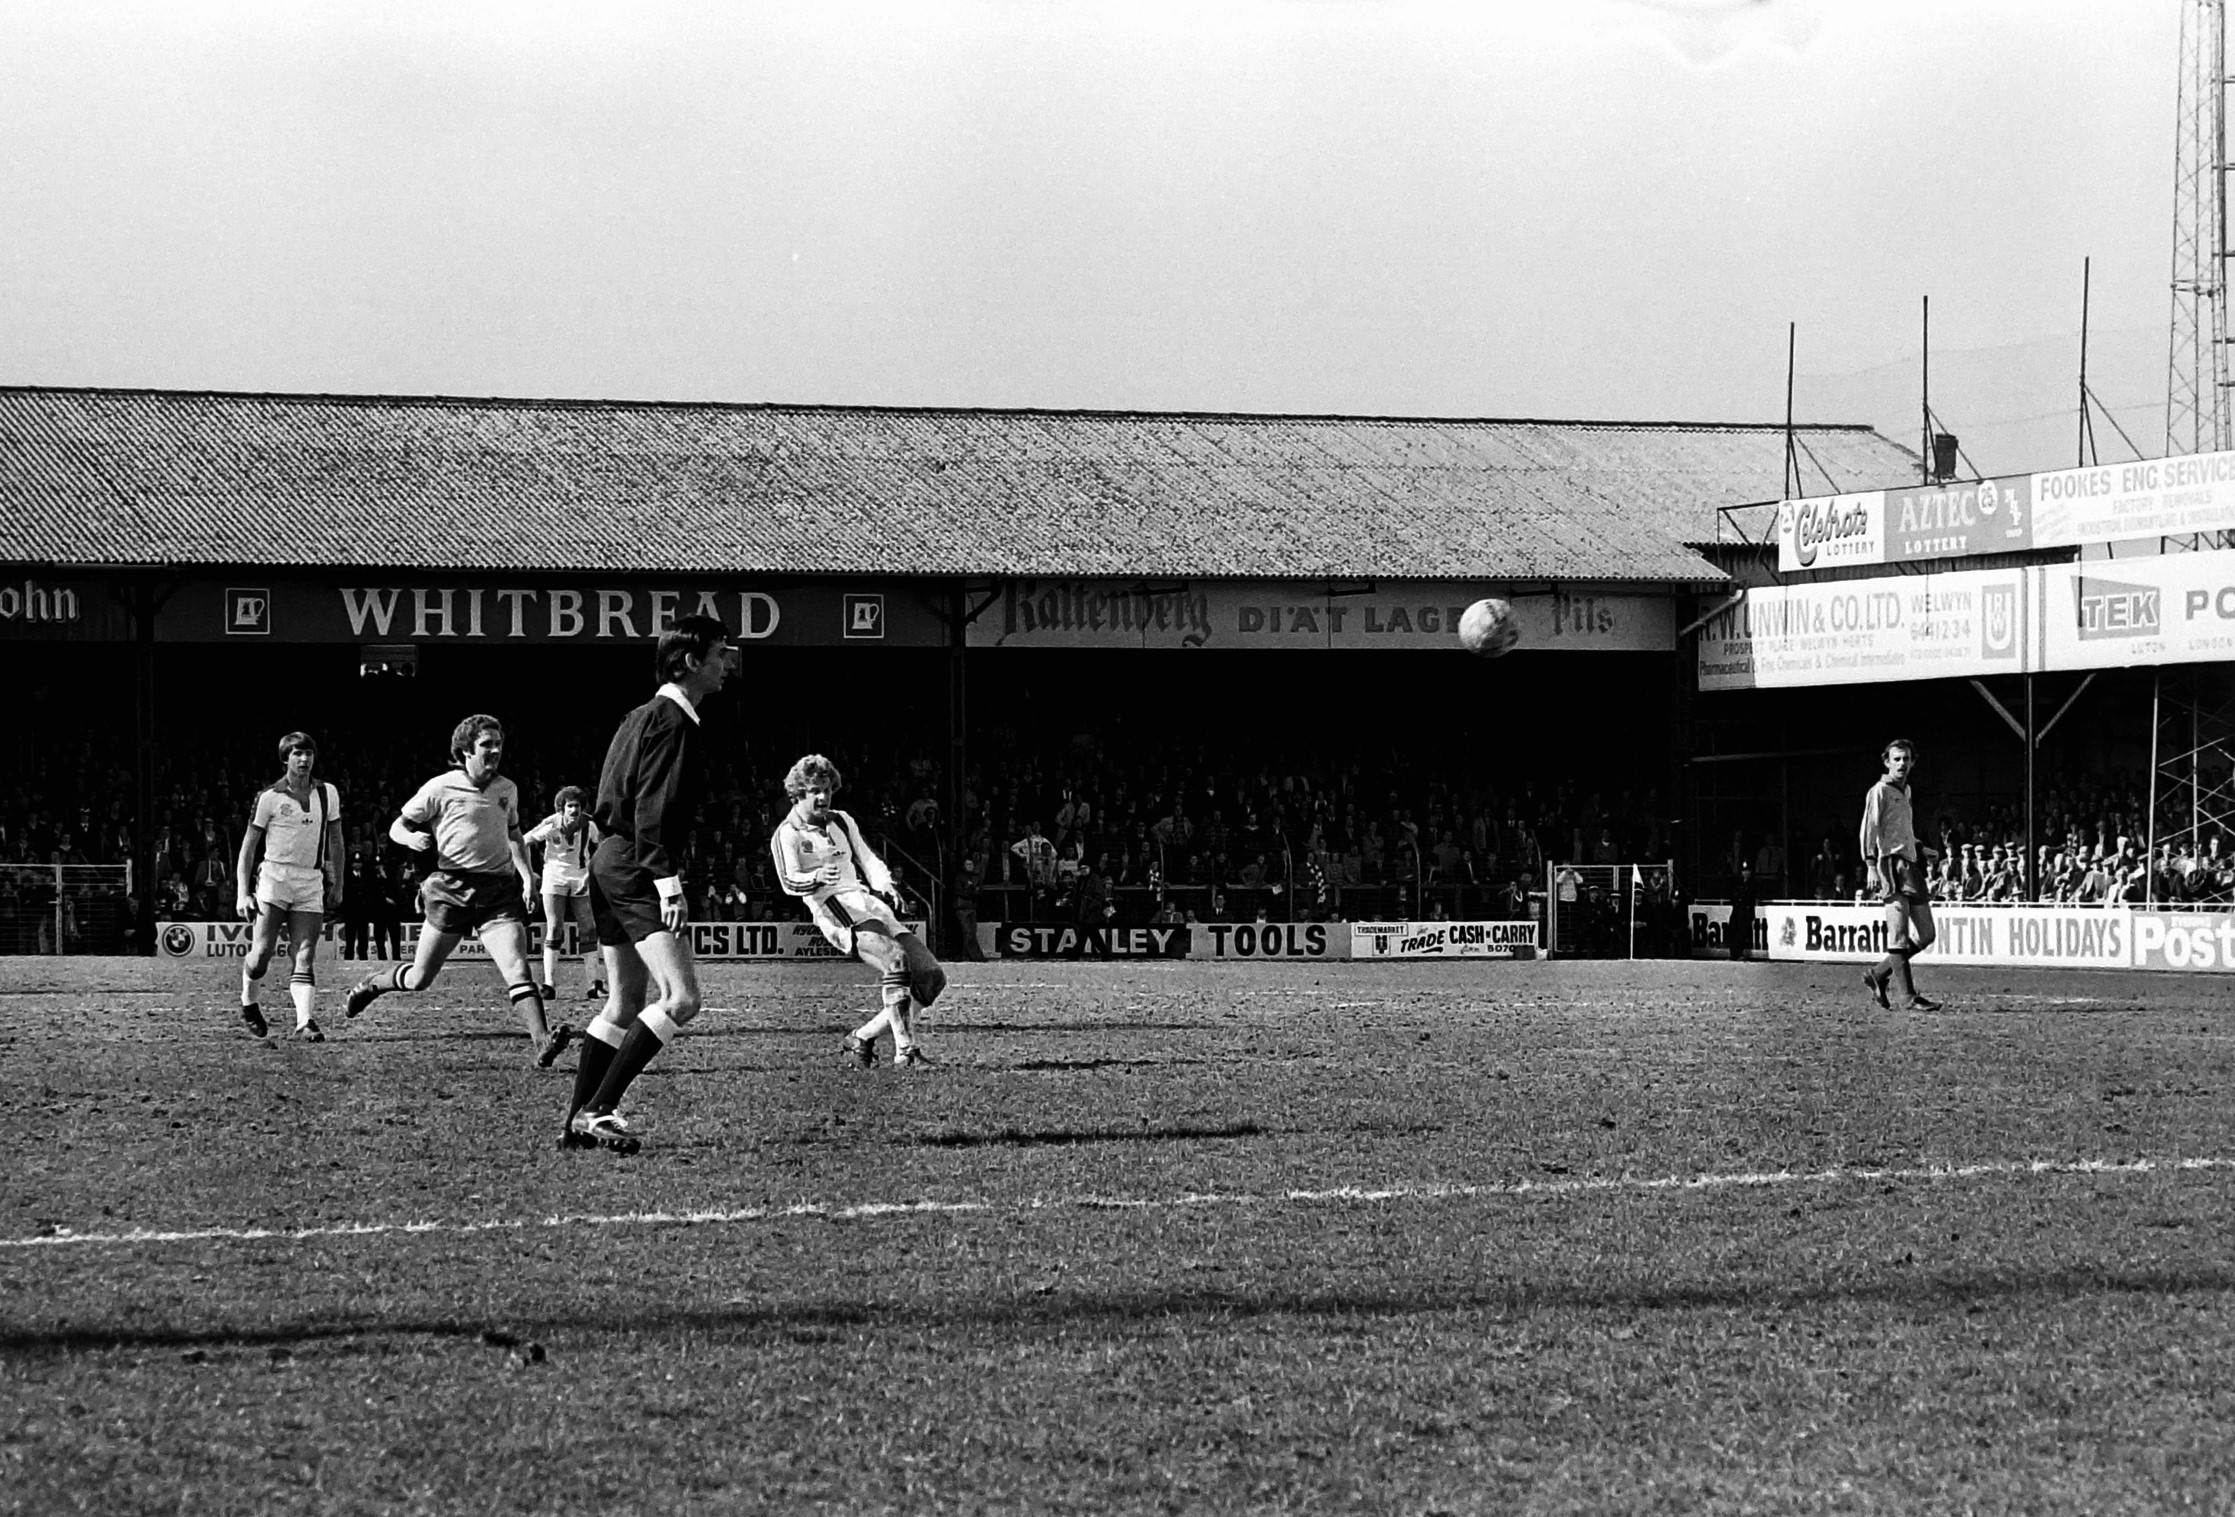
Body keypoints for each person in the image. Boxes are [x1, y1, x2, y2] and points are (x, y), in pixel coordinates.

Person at [561, 614, 736, 1154]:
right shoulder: (673, 722)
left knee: (622, 1002)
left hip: (608, 858)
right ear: (690, 662)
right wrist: (667, 883)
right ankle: (599, 1109)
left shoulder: (639, 715)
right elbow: (652, 811)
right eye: (720, 653)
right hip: (636, 861)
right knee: (681, 997)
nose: (728, 663)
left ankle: (575, 1126)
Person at [342, 715, 572, 1068]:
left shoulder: (506, 789)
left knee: (517, 967)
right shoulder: (440, 788)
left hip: (497, 891)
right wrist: (410, 837)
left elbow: (513, 835)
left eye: (498, 744)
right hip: (451, 889)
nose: (495, 751)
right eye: (486, 745)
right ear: (465, 750)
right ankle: (373, 984)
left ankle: (542, 1041)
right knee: (420, 978)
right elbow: (396, 827)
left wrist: (527, 877)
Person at [772, 753, 950, 1070]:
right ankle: (906, 1053)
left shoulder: (841, 820)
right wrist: (815, 878)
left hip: (866, 902)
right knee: (895, 960)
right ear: (798, 792)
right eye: (814, 790)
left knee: (932, 978)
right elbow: (788, 880)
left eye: (827, 789)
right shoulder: (788, 833)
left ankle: (861, 1038)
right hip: (835, 909)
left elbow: (866, 858)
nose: (823, 797)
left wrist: (885, 884)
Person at [234, 731, 343, 1040]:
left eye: (308, 753)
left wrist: (339, 882)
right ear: (286, 759)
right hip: (275, 878)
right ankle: (248, 1001)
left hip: (311, 879)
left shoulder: (328, 793)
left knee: (305, 952)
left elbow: (336, 840)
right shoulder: (270, 797)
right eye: (297, 754)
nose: (304, 759)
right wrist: (243, 893)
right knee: (262, 952)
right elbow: (248, 847)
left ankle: (305, 1022)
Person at [1859, 737, 1940, 1012]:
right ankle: (1907, 996)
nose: (1902, 764)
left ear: (1913, 762)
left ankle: (1879, 973)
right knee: (1899, 933)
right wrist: (1870, 864)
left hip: (1910, 865)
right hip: (1890, 865)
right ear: (1887, 762)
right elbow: (1869, 830)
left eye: (1907, 759)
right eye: (1897, 759)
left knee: (1927, 934)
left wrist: (1920, 847)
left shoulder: (1905, 792)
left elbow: (1901, 830)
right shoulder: (1879, 791)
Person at [524, 785, 606, 1003]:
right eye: (570, 806)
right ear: (562, 808)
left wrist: (592, 873)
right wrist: (529, 873)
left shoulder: (589, 824)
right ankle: (549, 985)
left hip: (581, 877)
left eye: (577, 805)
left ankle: (594, 984)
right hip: (554, 877)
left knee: (588, 928)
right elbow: (524, 841)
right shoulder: (551, 824)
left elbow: (603, 847)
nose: (574, 810)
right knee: (554, 927)